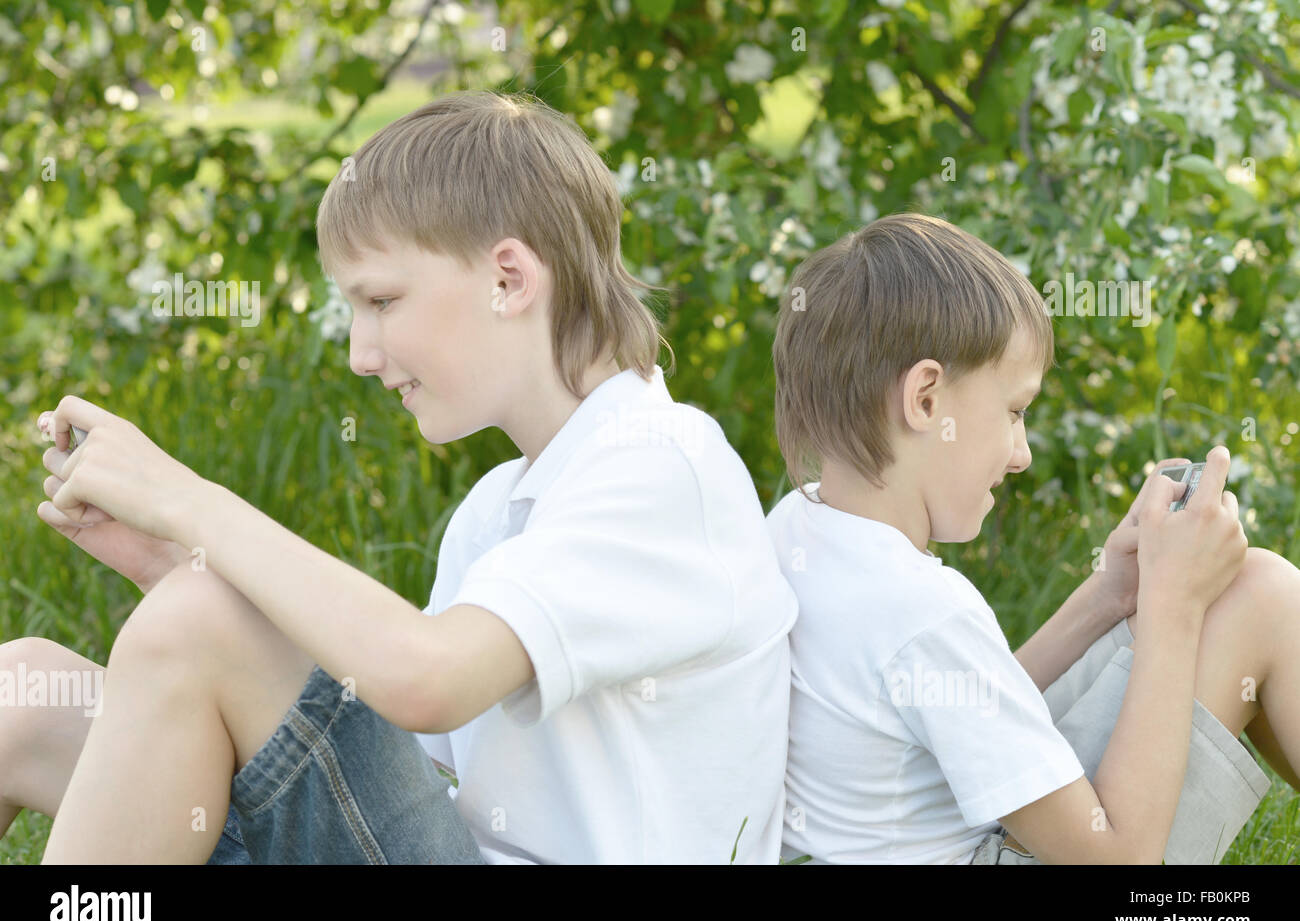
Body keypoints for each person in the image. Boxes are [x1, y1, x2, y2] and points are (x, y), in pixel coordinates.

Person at [6, 91, 797, 864]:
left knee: (198, 617)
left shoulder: (664, 464)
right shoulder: (500, 508)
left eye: (381, 299)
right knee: (25, 691)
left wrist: (191, 508)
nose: (360, 352)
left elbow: (426, 681)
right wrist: (180, 568)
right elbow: (384, 740)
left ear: (510, 280)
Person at [767, 212, 1295, 864]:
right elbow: (1119, 861)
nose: (1021, 454)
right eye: (1014, 412)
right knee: (1263, 597)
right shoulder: (921, 611)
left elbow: (969, 702)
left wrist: (1111, 592)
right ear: (926, 399)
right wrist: (1173, 607)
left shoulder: (801, 526)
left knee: (1249, 589)